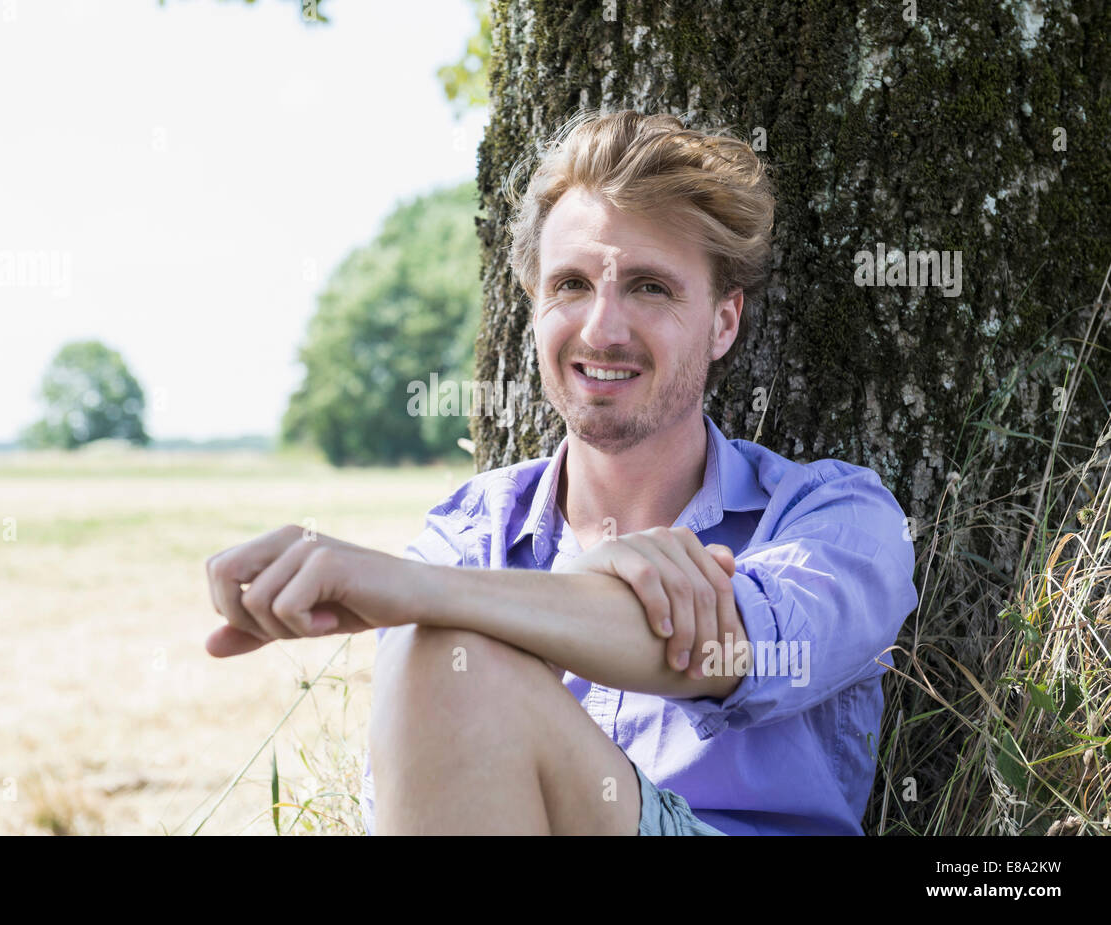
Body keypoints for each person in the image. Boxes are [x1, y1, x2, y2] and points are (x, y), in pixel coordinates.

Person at [204, 109, 919, 835]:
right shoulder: (475, 527)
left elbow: (733, 650)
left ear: (724, 322)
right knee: (443, 657)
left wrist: (417, 592)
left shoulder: (835, 514)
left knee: (447, 646)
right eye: (572, 285)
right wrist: (590, 577)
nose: (602, 328)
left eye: (648, 287)